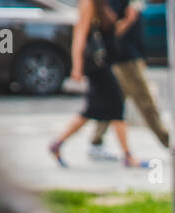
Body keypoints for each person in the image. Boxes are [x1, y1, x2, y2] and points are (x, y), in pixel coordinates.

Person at [48, 0, 148, 169]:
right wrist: (77, 68)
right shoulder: (89, 2)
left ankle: (57, 143)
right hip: (97, 67)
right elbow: (80, 35)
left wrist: (128, 21)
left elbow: (111, 33)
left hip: (105, 64)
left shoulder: (104, 4)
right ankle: (128, 156)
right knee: (117, 107)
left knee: (90, 112)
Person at [87, 0, 171, 161]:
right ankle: (167, 141)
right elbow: (110, 31)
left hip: (130, 56)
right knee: (145, 102)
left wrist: (141, 56)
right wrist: (128, 20)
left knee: (113, 102)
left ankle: (95, 141)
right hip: (123, 59)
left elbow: (137, 34)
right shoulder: (116, 3)